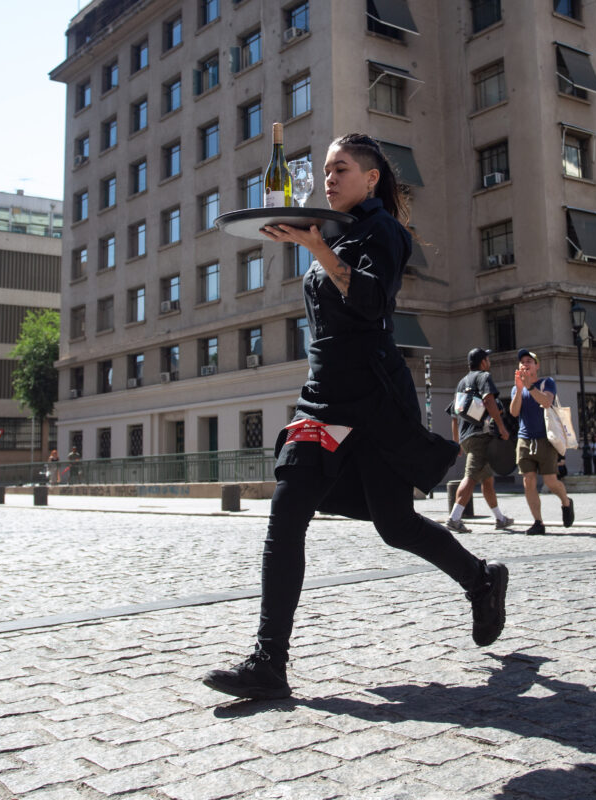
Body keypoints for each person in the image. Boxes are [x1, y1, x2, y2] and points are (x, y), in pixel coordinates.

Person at [203, 134, 507, 700]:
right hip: (322, 400)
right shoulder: (331, 234)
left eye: (341, 168)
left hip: (371, 401)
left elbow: (369, 303)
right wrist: (307, 240)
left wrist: (316, 248)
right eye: (324, 170)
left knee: (395, 527)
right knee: (286, 510)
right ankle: (269, 661)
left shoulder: (383, 232)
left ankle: (481, 578)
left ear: (371, 178)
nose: (328, 178)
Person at [445, 347, 514, 532]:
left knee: (487, 479)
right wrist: (501, 426)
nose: (489, 362)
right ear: (483, 362)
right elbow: (489, 401)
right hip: (481, 436)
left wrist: (456, 442)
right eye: (488, 359)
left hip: (467, 436)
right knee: (471, 476)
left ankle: (500, 518)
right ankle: (454, 518)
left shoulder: (461, 383)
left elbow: (454, 414)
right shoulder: (483, 377)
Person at [509, 349, 574, 535]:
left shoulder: (547, 382)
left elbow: (546, 402)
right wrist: (520, 390)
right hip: (524, 438)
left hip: (545, 439)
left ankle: (566, 502)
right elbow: (514, 412)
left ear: (536, 366)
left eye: (529, 361)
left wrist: (530, 387)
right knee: (528, 481)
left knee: (551, 481)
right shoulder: (517, 387)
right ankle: (538, 522)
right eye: (522, 361)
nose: (525, 364)